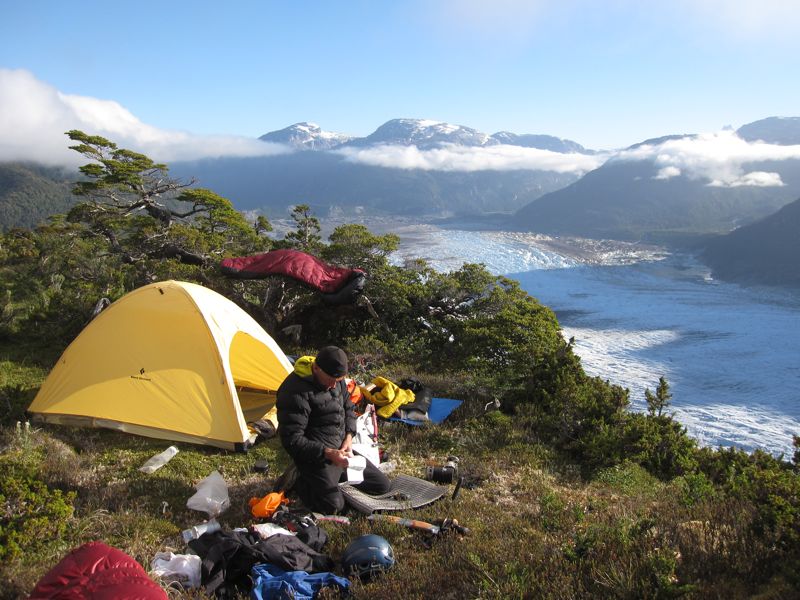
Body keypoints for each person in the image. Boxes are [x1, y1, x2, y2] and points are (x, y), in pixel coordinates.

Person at [276, 346, 391, 513]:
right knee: (334, 506)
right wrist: (328, 453)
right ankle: (300, 480)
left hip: (341, 452)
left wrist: (349, 437)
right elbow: (292, 440)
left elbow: (349, 408)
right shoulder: (293, 392)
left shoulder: (337, 382)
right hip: (315, 457)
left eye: (338, 381)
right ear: (316, 368)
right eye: (330, 379)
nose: (333, 385)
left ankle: (336, 476)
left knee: (382, 486)